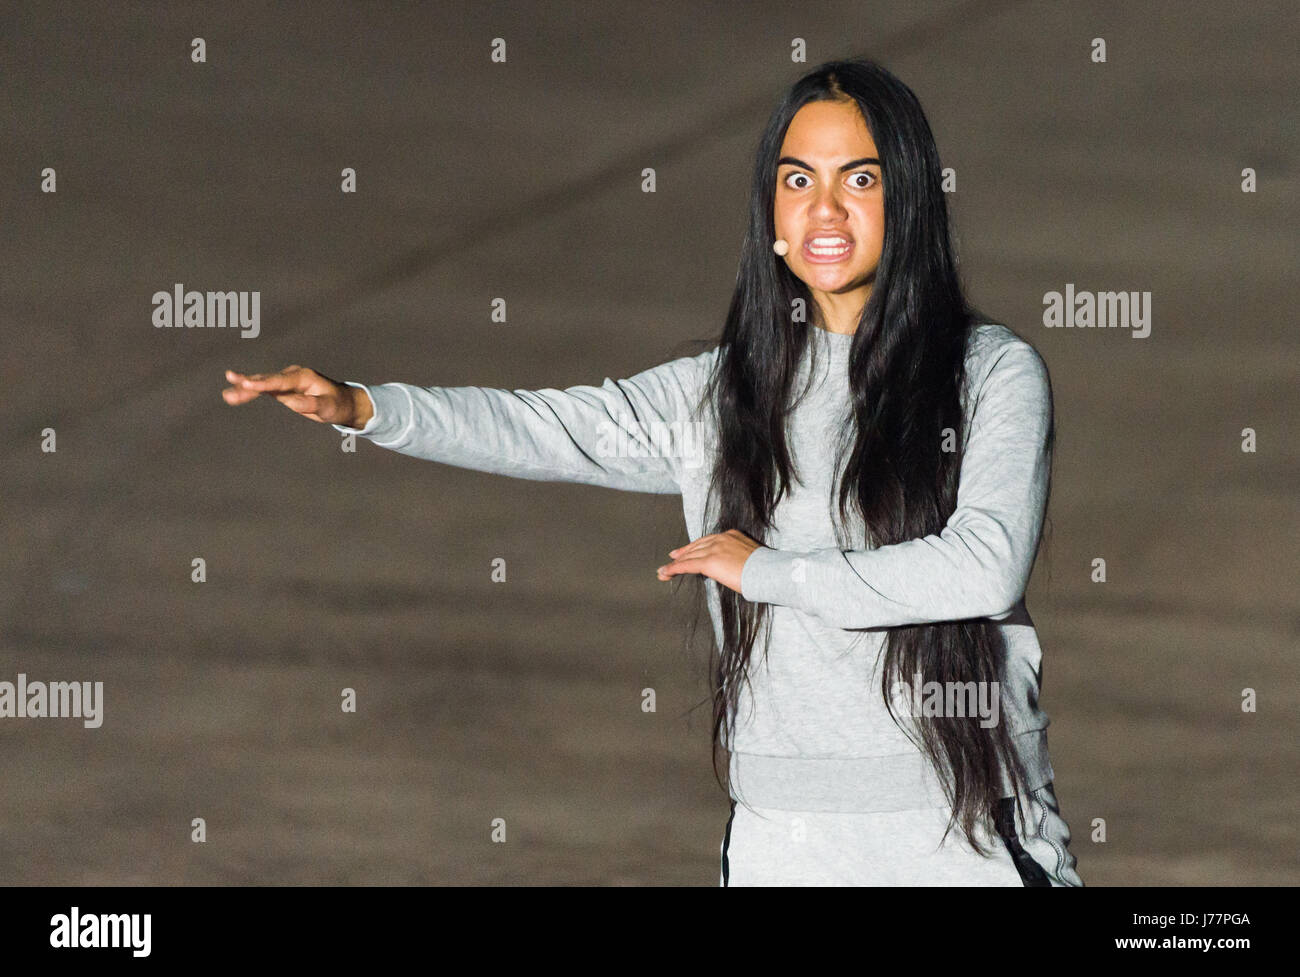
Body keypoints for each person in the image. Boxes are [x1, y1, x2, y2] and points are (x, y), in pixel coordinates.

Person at [223, 57, 1083, 887]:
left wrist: (769, 571)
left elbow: (984, 561)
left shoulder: (989, 373)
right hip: (785, 844)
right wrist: (369, 408)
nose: (826, 209)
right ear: (771, 219)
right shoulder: (722, 394)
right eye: (797, 181)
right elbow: (545, 426)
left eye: (860, 180)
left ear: (909, 202)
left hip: (963, 834)